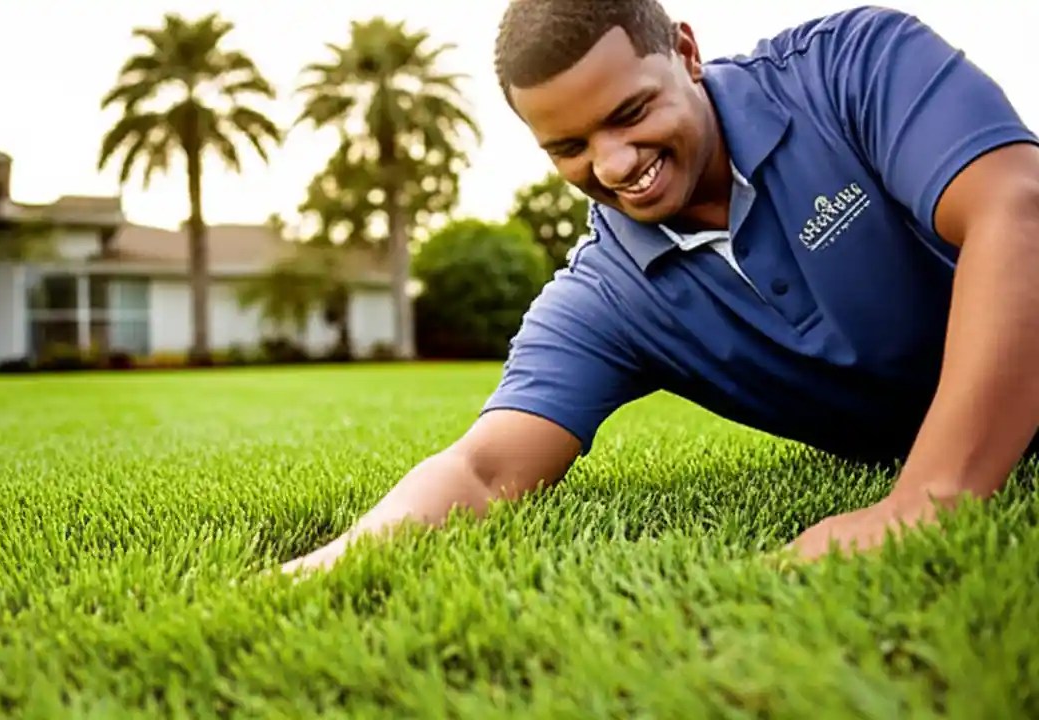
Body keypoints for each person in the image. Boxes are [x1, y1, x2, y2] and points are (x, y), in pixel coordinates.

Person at [281, 0, 1039, 574]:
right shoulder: (606, 297)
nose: (614, 165)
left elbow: (1017, 211)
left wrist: (930, 496)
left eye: (631, 113)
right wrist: (321, 566)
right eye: (570, 147)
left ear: (686, 52)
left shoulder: (853, 67)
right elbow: (483, 470)